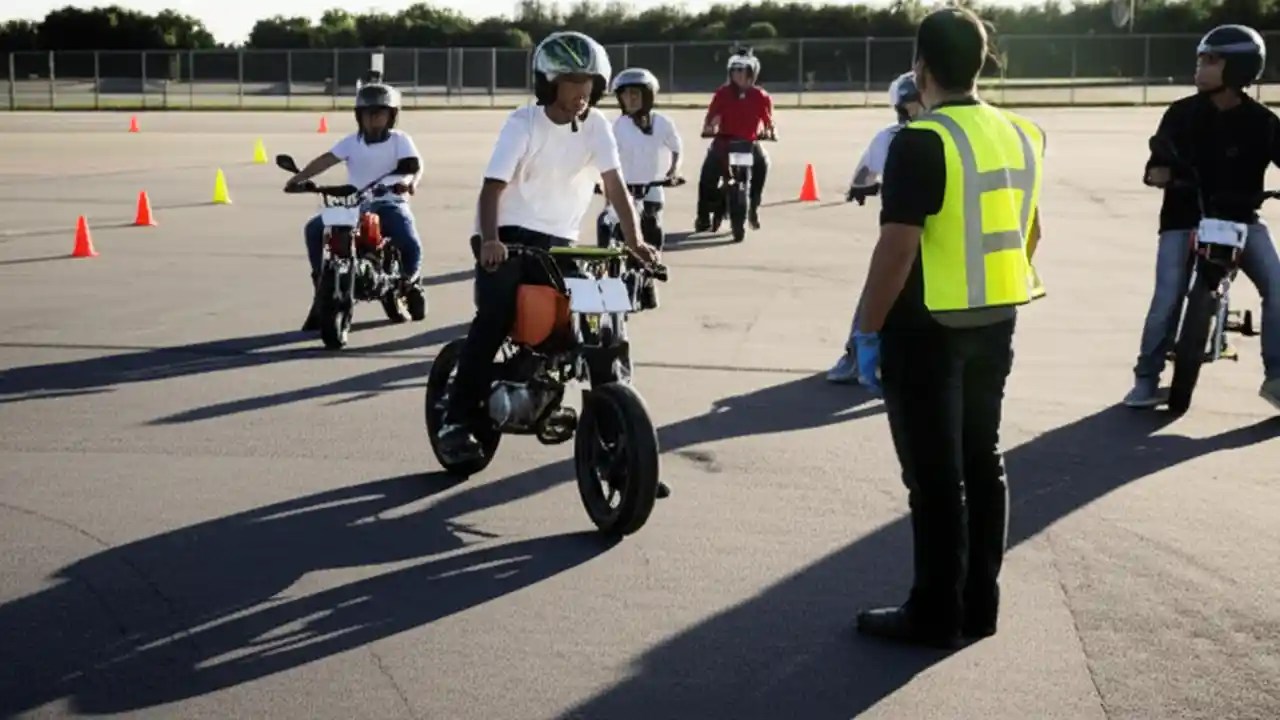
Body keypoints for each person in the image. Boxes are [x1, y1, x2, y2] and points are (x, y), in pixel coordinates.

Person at [851, 6, 1046, 648]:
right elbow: (1031, 231)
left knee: (935, 482)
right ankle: (978, 607)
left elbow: (897, 249)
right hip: (998, 320)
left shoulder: (920, 139)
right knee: (982, 463)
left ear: (921, 67)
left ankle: (934, 613)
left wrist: (866, 330)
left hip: (927, 327)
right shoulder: (1020, 132)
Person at [433, 31, 668, 495]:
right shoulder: (522, 123)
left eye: (589, 82)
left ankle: (627, 449)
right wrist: (491, 241)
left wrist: (636, 240)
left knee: (602, 330)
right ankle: (456, 421)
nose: (582, 91)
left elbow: (615, 186)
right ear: (549, 82)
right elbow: (492, 188)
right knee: (495, 317)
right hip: (510, 237)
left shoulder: (598, 125)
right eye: (571, 81)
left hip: (564, 244)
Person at [1124, 24, 1280, 410]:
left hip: (1242, 220)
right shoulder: (1180, 115)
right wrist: (1159, 173)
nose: (1200, 67)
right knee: (1167, 295)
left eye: (1211, 60)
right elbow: (1154, 165)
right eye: (1200, 59)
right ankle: (1146, 378)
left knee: (1278, 288)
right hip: (1184, 217)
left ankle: (1277, 376)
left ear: (1239, 68)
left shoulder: (1263, 122)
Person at [283, 82, 426, 331]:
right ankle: (322, 284)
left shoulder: (399, 140)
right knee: (314, 228)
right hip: (356, 204)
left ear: (391, 116)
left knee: (407, 237)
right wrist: (299, 178)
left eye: (379, 113)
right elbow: (327, 159)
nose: (374, 119)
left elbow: (415, 166)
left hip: (388, 201)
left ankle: (409, 282)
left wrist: (408, 183)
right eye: (368, 113)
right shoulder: (351, 142)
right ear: (359, 116)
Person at [828, 71, 926, 384]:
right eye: (914, 104)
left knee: (878, 288)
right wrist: (861, 185)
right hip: (926, 239)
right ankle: (859, 355)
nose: (918, 108)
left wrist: (859, 187)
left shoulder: (891, 138)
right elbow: (864, 173)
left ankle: (856, 356)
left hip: (906, 236)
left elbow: (863, 174)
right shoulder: (930, 135)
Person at [599, 66, 683, 309]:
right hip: (622, 189)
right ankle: (603, 274)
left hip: (651, 188)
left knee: (652, 224)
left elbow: (677, 147)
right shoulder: (617, 126)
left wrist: (674, 171)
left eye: (636, 93)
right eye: (625, 95)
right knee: (606, 225)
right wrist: (599, 182)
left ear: (648, 96)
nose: (630, 99)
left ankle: (649, 276)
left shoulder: (663, 123)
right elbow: (604, 156)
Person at [695, 47, 777, 233]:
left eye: (743, 70)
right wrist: (709, 128)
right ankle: (703, 216)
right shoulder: (722, 93)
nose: (738, 74)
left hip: (747, 144)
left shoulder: (761, 96)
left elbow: (767, 120)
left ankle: (753, 208)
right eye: (735, 70)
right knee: (707, 176)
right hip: (724, 142)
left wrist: (770, 131)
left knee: (762, 165)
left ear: (752, 73)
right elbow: (713, 116)